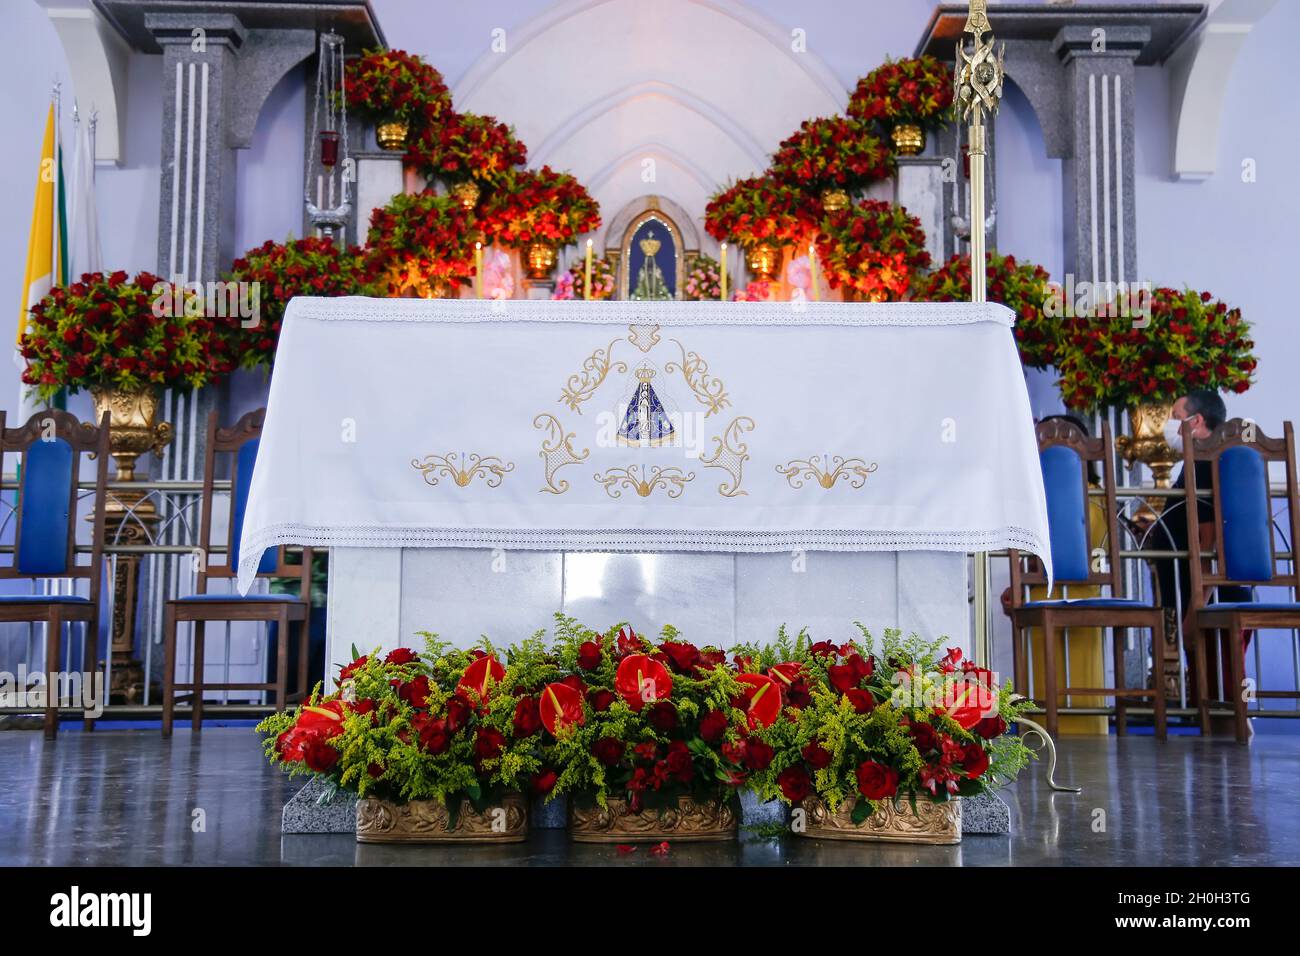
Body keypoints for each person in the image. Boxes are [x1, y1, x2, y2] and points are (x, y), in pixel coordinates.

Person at [1001, 414, 1108, 734]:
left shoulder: (1090, 499)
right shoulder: (1092, 499)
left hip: (1067, 591)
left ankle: (1052, 728)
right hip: (1045, 591)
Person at [1152, 389, 1253, 723]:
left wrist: (1200, 601)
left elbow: (1208, 539)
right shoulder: (1199, 461)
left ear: (1196, 421)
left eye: (1176, 416)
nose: (1170, 424)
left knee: (1220, 670)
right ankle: (1211, 716)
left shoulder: (1209, 462)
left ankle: (1226, 719)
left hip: (1208, 591)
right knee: (1208, 674)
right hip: (1196, 588)